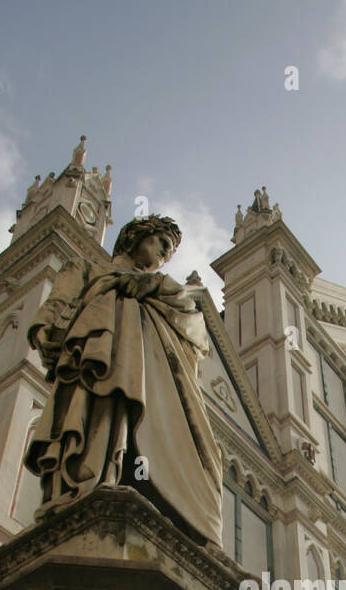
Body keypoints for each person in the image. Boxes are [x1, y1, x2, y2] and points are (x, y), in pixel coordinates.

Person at [24, 214, 222, 545]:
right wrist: (43, 328)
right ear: (134, 238)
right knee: (100, 416)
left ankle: (190, 525)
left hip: (152, 383)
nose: (163, 254)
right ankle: (92, 483)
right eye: (161, 243)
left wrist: (156, 286)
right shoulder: (88, 269)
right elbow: (56, 306)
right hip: (100, 367)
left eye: (168, 251)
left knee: (205, 454)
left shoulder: (166, 292)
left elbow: (196, 334)